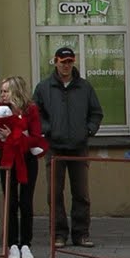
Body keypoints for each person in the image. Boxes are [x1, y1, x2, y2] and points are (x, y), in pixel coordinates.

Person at [33, 46, 102, 247]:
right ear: (55, 62)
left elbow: (96, 112)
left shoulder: (84, 87)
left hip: (79, 146)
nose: (67, 66)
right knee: (54, 193)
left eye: (70, 62)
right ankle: (58, 234)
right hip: (54, 147)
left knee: (81, 193)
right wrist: (48, 129)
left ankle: (81, 234)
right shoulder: (44, 87)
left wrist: (89, 130)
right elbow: (35, 113)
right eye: (63, 62)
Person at [0, 75, 47, 258]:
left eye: (6, 91)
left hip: (27, 159)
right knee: (10, 201)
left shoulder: (31, 109)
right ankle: (12, 243)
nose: (2, 94)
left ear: (16, 91)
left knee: (26, 201)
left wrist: (15, 138)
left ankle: (26, 243)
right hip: (7, 159)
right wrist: (6, 145)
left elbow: (36, 138)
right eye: (2, 91)